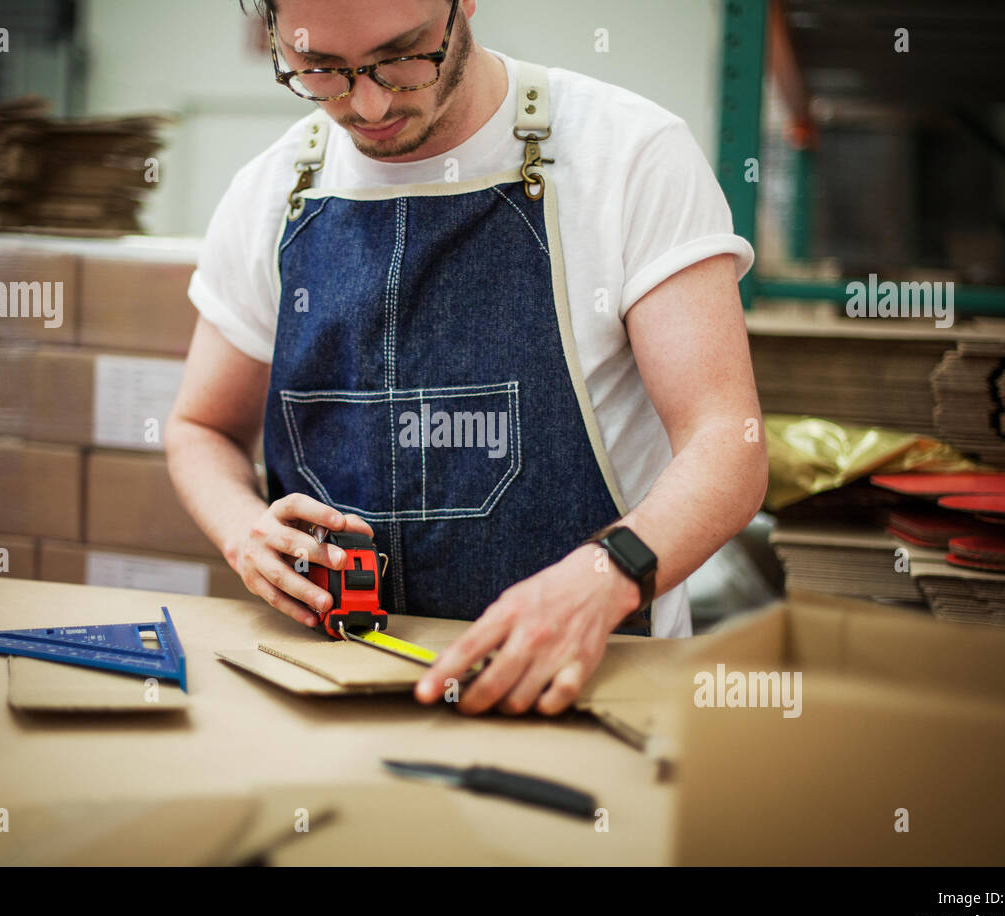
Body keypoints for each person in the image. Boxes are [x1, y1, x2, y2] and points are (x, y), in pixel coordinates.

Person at [165, 0, 768, 716]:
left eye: (402, 56)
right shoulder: (272, 193)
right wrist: (244, 534)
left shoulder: (628, 157)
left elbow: (728, 442)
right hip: (327, 692)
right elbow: (200, 427)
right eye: (321, 70)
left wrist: (607, 576)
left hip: (580, 691)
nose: (370, 101)